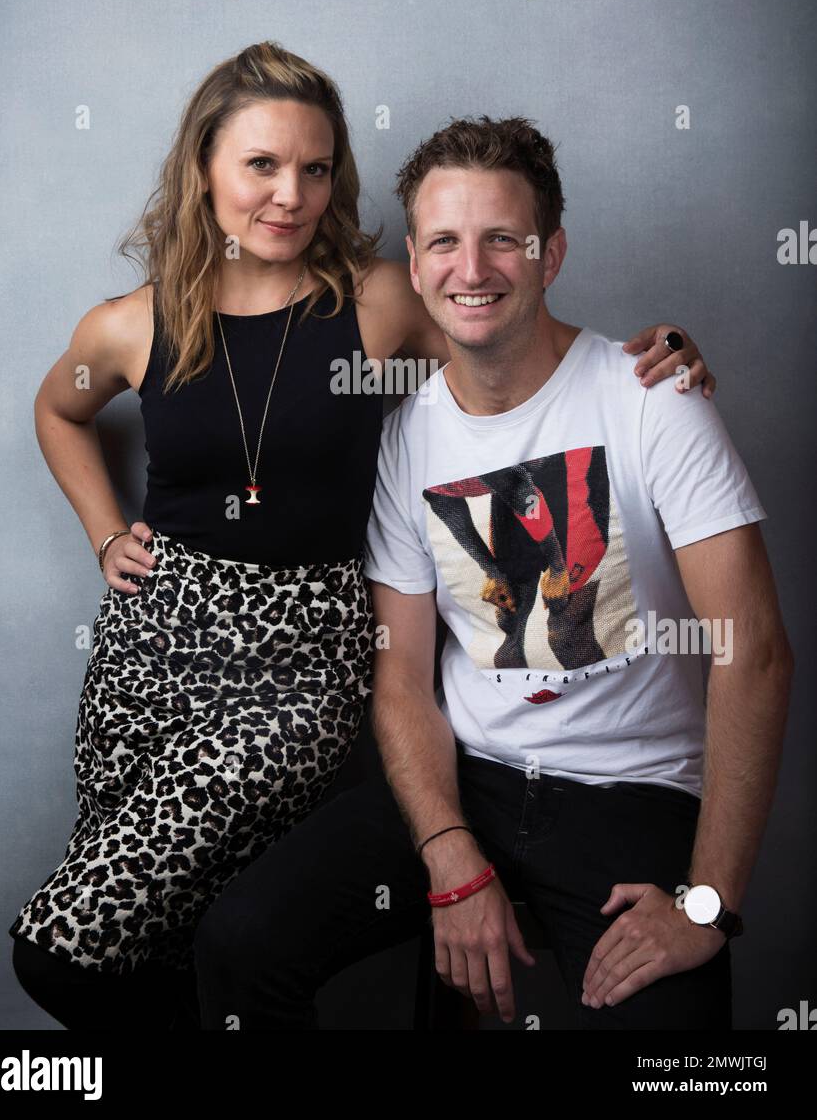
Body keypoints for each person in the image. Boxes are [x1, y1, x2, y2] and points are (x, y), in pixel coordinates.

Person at [9, 42, 716, 1030]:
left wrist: (659, 357)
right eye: (261, 164)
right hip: (148, 651)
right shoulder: (129, 324)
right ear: (203, 165)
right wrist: (101, 532)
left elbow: (523, 340)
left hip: (303, 666)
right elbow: (57, 411)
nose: (290, 194)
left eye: (314, 167)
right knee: (168, 939)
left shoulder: (377, 300)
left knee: (65, 953)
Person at [193, 114, 793, 1032]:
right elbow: (400, 683)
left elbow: (752, 655)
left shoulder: (654, 404)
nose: (471, 270)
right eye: (444, 241)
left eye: (502, 240)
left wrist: (707, 903)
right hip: (467, 778)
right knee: (239, 941)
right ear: (417, 261)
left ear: (550, 253)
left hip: (629, 794)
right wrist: (447, 851)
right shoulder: (407, 439)